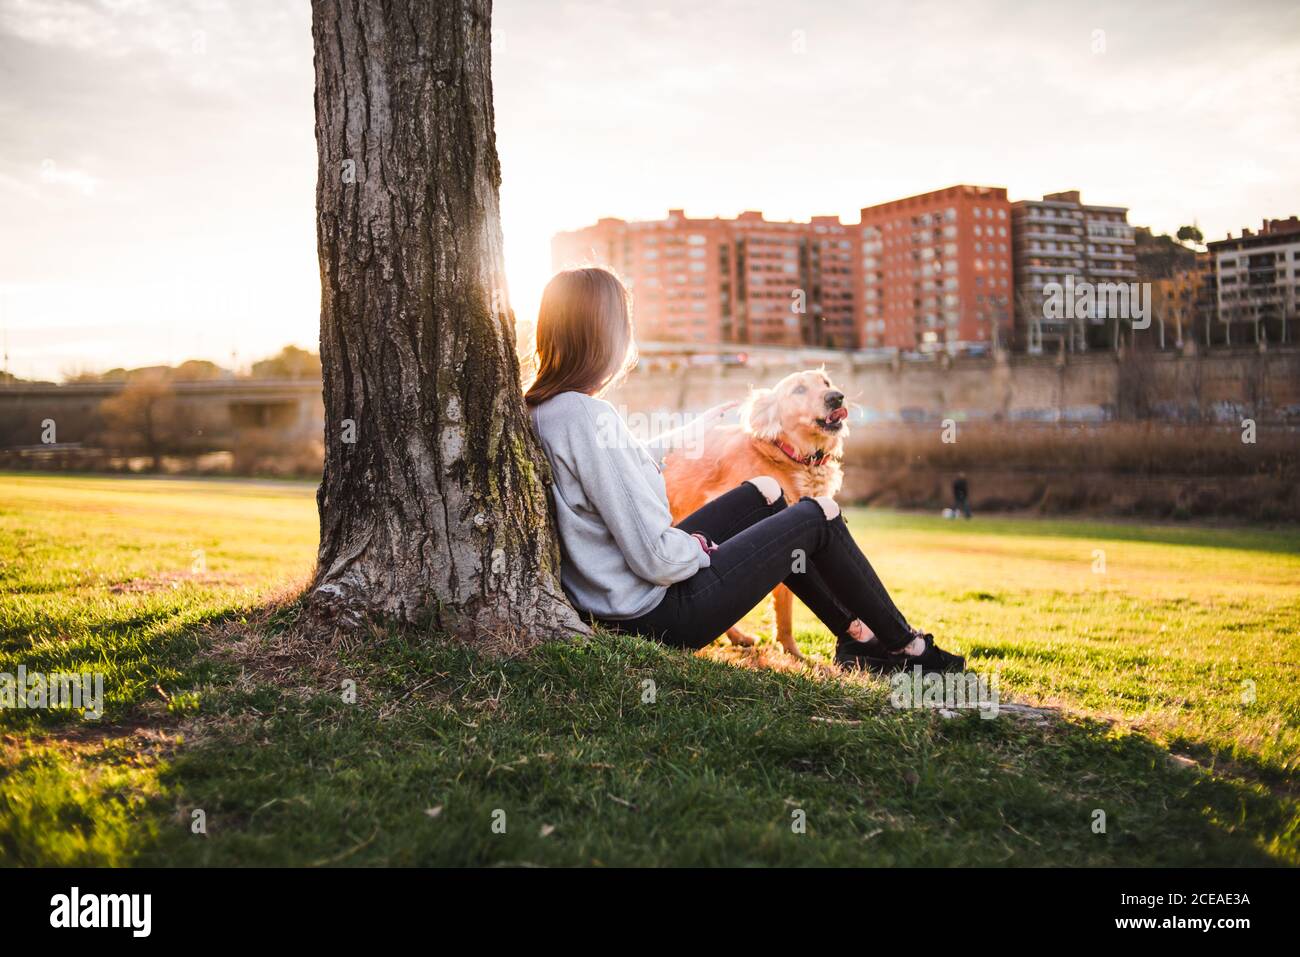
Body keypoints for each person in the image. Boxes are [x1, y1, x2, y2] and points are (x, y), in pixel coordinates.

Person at [524, 266, 964, 675]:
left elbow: (617, 467)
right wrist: (701, 548)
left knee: (767, 492)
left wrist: (691, 432)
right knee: (817, 514)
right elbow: (654, 558)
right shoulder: (588, 416)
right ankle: (905, 647)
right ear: (605, 336)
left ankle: (857, 637)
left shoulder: (546, 410)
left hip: (620, 602)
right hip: (656, 613)